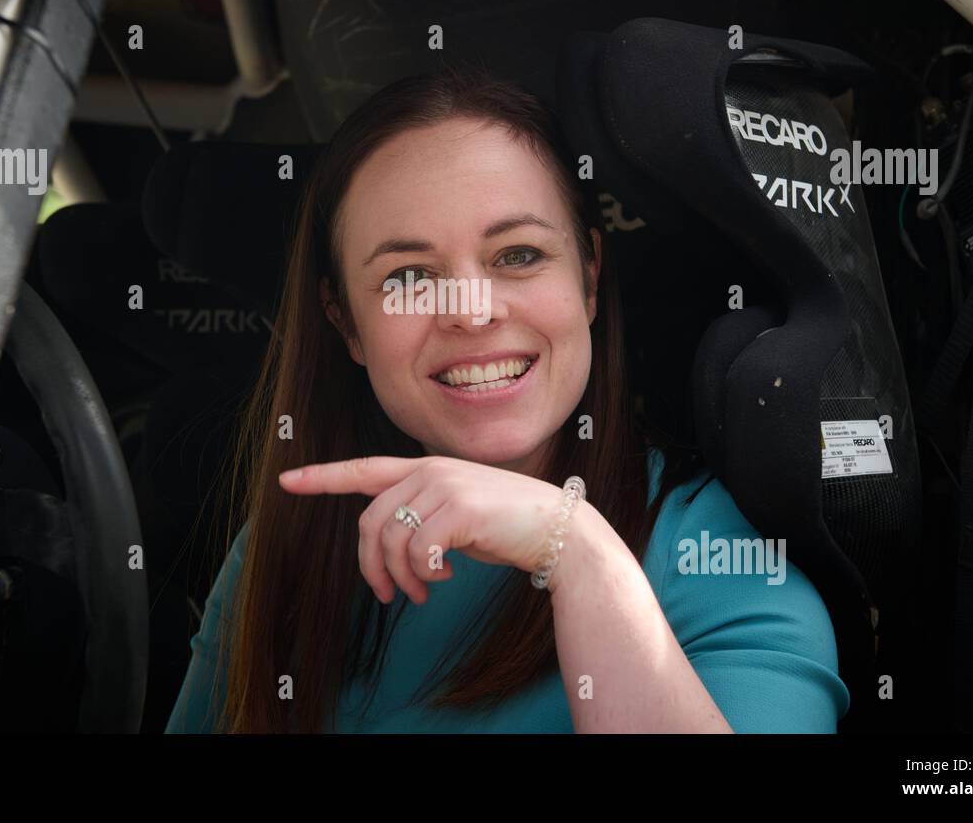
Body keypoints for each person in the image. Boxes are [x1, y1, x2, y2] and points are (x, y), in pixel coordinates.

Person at [167, 66, 849, 733]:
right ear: (345, 322)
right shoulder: (285, 546)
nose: (471, 311)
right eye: (409, 275)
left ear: (588, 278)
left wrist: (576, 549)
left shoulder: (716, 555)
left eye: (517, 255)